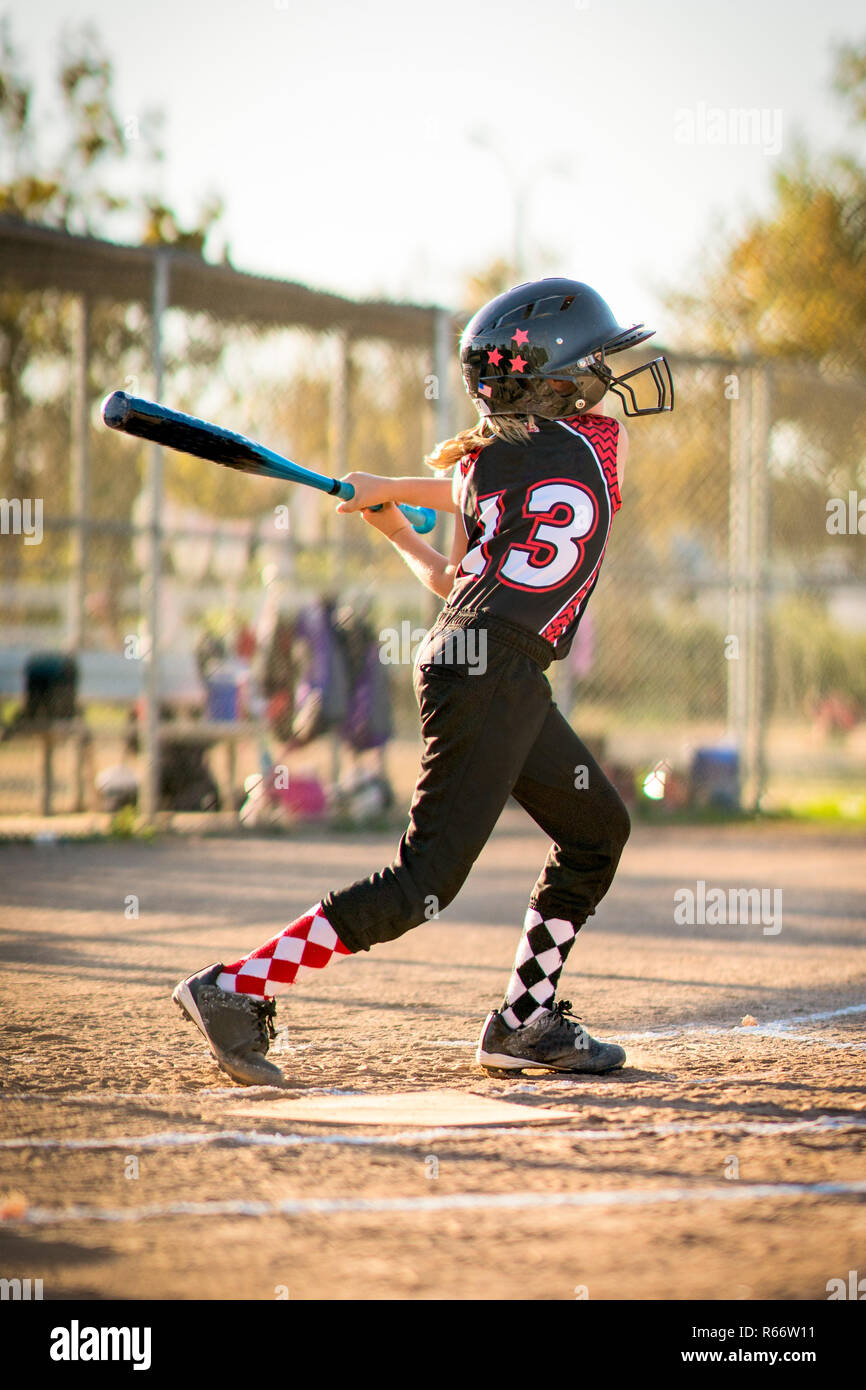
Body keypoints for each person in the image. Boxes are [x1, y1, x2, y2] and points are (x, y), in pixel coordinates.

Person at [172, 277, 674, 1086]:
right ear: (551, 383)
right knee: (423, 883)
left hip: (478, 663)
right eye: (590, 367)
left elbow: (459, 577)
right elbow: (477, 504)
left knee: (594, 829)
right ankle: (234, 987)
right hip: (491, 672)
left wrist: (398, 518)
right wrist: (400, 492)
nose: (606, 379)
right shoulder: (579, 449)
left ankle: (523, 1022)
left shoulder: (507, 461)